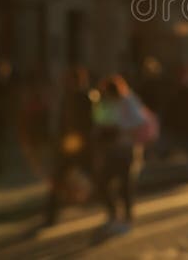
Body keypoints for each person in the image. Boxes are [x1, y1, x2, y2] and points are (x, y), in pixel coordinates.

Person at [92, 74, 150, 233]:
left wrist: (121, 130)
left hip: (127, 148)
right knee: (103, 182)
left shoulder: (128, 101)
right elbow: (98, 122)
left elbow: (140, 123)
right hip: (111, 149)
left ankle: (127, 217)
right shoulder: (104, 104)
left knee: (125, 184)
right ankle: (112, 214)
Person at [45, 67, 93, 226]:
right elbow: (61, 122)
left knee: (92, 177)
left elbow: (91, 122)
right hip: (67, 146)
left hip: (82, 146)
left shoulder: (87, 98)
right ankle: (51, 214)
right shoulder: (67, 97)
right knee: (58, 178)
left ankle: (107, 207)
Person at [17, 66, 51, 178]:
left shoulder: (40, 95)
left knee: (38, 151)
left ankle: (37, 171)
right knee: (34, 151)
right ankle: (33, 171)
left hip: (38, 125)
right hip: (33, 125)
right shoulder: (30, 96)